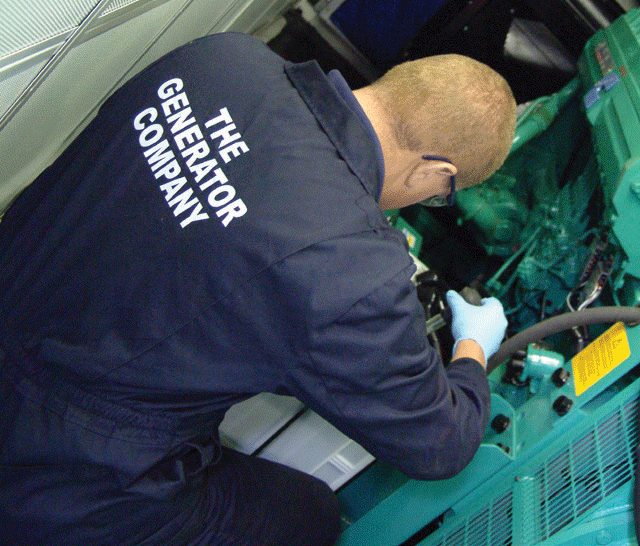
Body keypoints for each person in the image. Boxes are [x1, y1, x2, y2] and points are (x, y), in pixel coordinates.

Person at [0, 32, 517, 545]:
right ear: (436, 172)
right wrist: (472, 349)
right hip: (60, 472)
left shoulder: (222, 57)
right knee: (307, 516)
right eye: (442, 194)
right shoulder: (350, 270)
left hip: (20, 295)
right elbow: (439, 444)